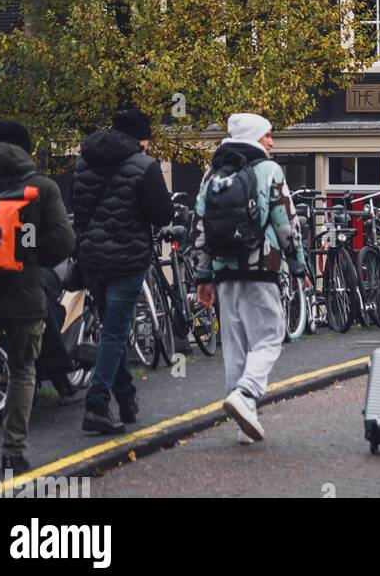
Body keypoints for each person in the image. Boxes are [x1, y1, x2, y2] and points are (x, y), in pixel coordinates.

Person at [0, 120, 75, 486]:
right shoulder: (40, 188)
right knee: (24, 370)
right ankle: (13, 453)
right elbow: (64, 242)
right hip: (25, 293)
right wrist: (28, 253)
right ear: (25, 149)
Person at [191, 112, 305, 444]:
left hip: (224, 274)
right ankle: (247, 393)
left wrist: (202, 276)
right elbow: (286, 222)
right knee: (271, 336)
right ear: (255, 137)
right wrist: (299, 266)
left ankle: (244, 418)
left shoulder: (213, 174)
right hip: (261, 269)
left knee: (236, 346)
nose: (272, 141)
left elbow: (199, 226)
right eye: (268, 135)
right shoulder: (269, 171)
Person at [72, 107, 173, 436]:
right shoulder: (144, 166)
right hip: (127, 261)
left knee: (111, 330)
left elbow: (80, 208)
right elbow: (162, 214)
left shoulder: (83, 162)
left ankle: (127, 400)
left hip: (91, 261)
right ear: (141, 138)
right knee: (116, 333)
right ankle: (97, 404)